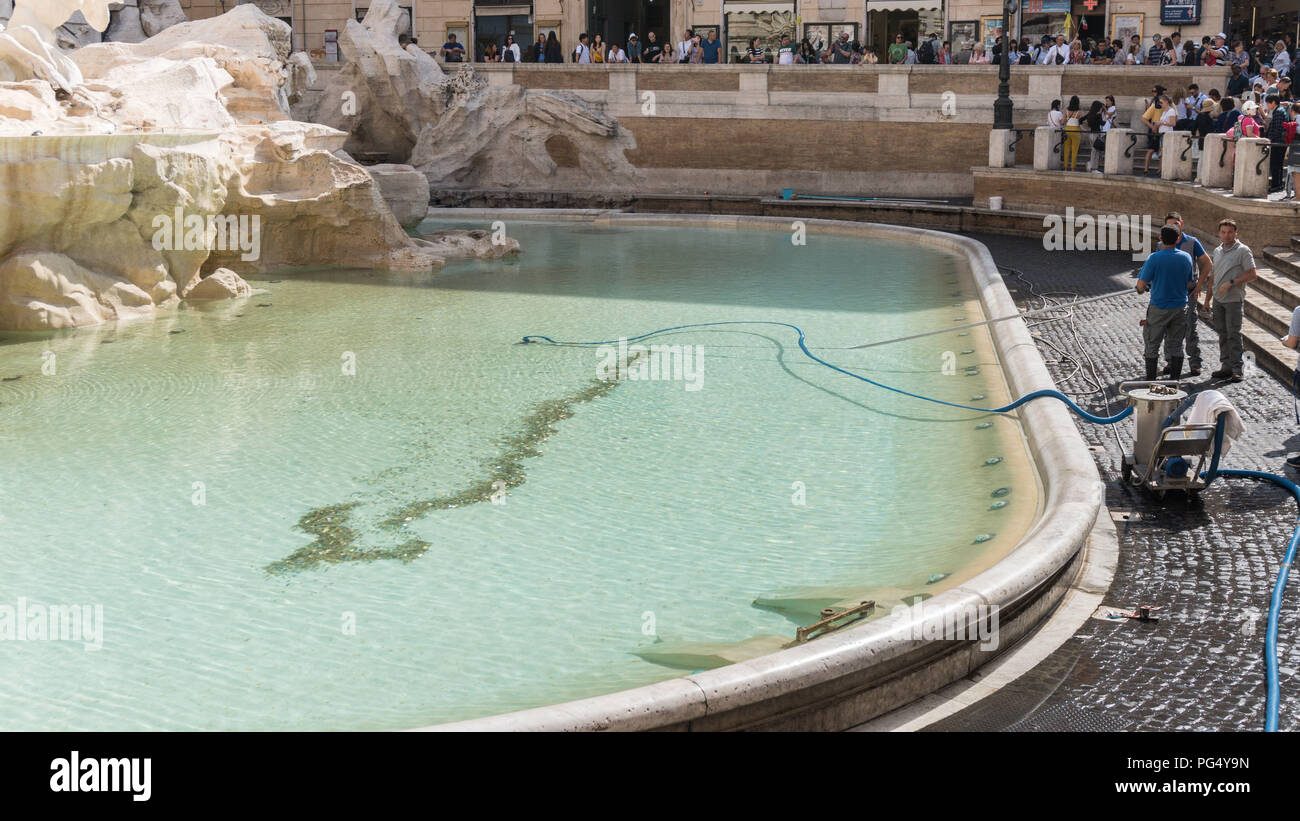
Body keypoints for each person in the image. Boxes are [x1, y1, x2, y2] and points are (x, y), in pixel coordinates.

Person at [1135, 224, 1196, 381]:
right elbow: (1189, 283)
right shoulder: (1186, 257)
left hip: (1159, 308)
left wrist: (1142, 289)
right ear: (1177, 239)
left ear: (1161, 238)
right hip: (1180, 307)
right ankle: (1174, 383)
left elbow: (1141, 285)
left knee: (1152, 345)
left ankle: (1151, 382)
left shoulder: (1154, 258)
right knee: (1176, 346)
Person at [1205, 218, 1258, 382]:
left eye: (1229, 232)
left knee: (1233, 334)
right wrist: (1207, 299)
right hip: (1218, 300)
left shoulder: (1243, 251)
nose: (1226, 235)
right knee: (1222, 334)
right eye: (1223, 232)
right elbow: (1213, 276)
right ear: (1219, 233)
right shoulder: (1217, 250)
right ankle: (1226, 366)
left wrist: (1232, 282)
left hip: (1234, 300)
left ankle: (1237, 368)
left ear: (1236, 232)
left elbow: (1252, 274)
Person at [1162, 213, 1214, 377]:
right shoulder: (1162, 244)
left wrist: (1199, 285)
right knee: (1169, 328)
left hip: (1188, 291)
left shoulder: (1192, 242)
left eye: (1176, 224)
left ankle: (1195, 362)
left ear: (1182, 224)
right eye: (1170, 225)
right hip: (1169, 293)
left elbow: (1207, 263)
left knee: (1191, 327)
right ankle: (1170, 360)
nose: (1174, 227)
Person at [1063, 95, 1083, 171]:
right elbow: (1081, 122)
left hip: (1067, 130)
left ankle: (1065, 167)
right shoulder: (1079, 113)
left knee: (1066, 149)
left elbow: (1063, 121)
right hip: (1076, 131)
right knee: (1074, 150)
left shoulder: (1066, 111)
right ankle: (1072, 168)